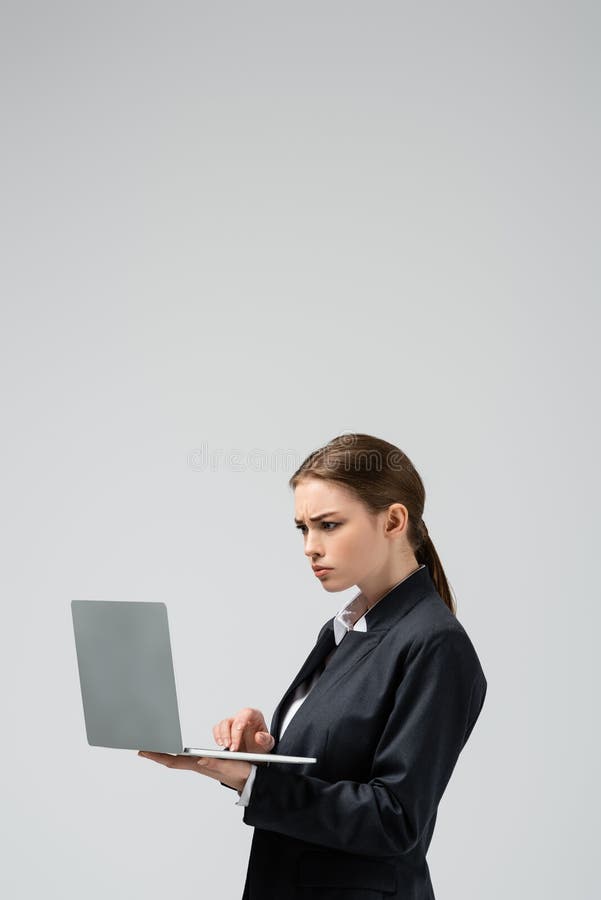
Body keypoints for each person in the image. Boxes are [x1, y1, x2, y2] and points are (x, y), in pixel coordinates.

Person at [138, 433, 488, 899]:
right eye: (303, 528)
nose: (310, 546)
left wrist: (254, 782)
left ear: (394, 521)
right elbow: (333, 774)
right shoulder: (346, 628)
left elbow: (395, 820)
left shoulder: (434, 643)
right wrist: (260, 756)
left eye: (328, 525)